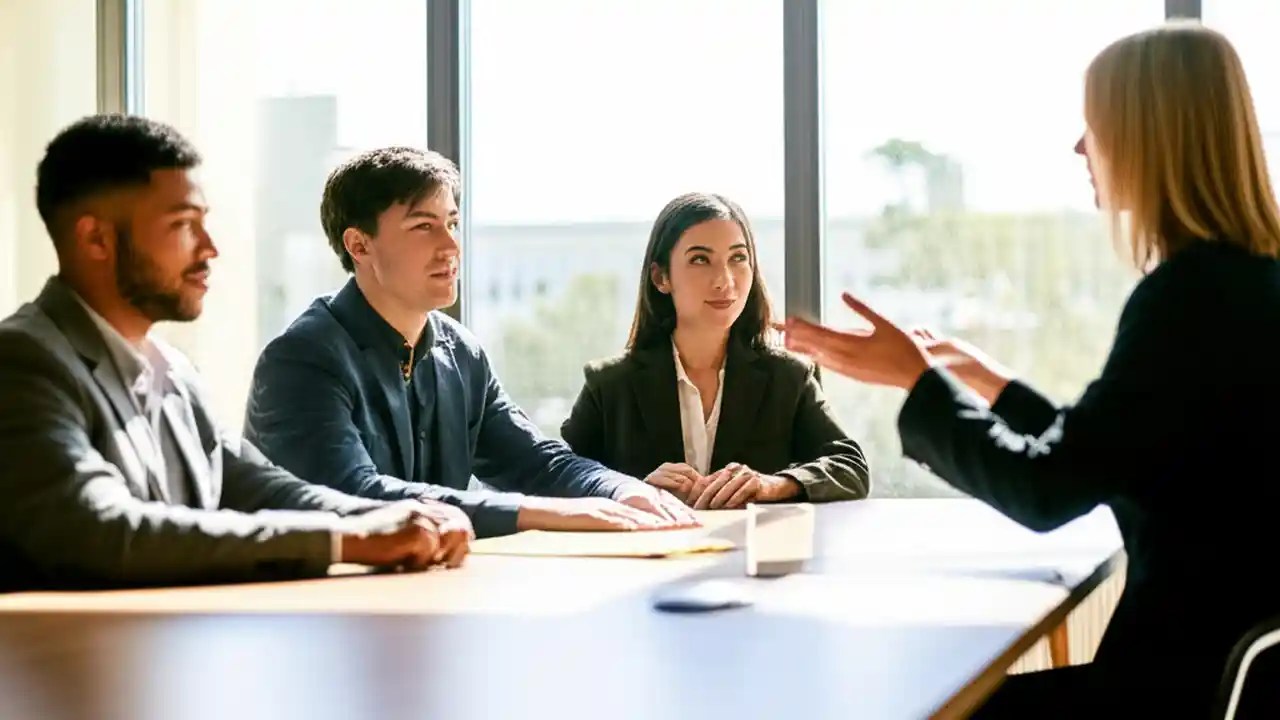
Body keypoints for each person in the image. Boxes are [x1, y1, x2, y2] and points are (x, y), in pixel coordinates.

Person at [780, 23, 1280, 717]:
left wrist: (916, 381)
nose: (1081, 146)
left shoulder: (1187, 299)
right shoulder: (1252, 289)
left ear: (1151, 135)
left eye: (1096, 123)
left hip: (1165, 691)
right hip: (1215, 677)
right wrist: (992, 385)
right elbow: (1120, 455)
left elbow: (1045, 490)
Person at [0, 115, 472, 590]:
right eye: (183, 225)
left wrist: (400, 518)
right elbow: (102, 531)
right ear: (95, 239)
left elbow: (254, 485)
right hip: (63, 659)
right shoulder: (22, 363)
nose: (210, 248)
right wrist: (346, 539)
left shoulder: (174, 373)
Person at [244, 147, 696, 539]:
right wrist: (543, 513)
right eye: (424, 227)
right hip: (315, 614)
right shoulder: (301, 360)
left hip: (425, 599)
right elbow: (354, 495)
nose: (452, 246)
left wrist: (624, 491)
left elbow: (535, 462)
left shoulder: (460, 353)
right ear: (359, 246)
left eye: (453, 223)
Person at [561, 192, 868, 509]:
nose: (725, 280)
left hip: (752, 555)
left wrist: (773, 485)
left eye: (738, 258)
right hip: (648, 555)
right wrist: (629, 490)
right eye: (700, 260)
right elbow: (557, 475)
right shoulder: (609, 384)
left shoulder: (787, 377)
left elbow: (850, 468)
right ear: (661, 277)